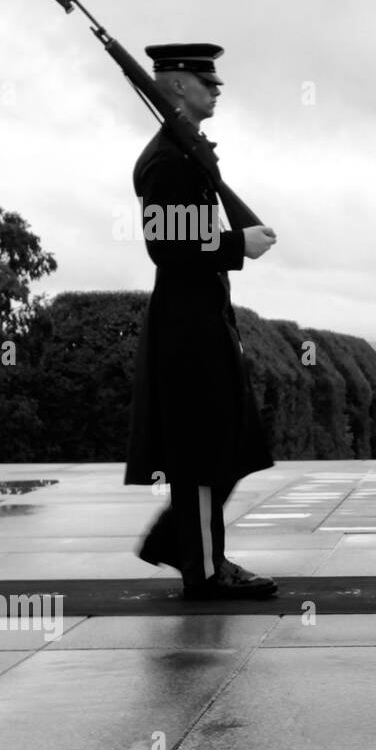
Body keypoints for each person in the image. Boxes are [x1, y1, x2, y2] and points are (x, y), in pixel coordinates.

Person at [123, 43, 280, 600]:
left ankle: (183, 545)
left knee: (227, 442)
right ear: (176, 84)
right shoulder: (168, 160)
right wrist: (240, 243)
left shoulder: (185, 153)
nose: (216, 89)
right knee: (206, 448)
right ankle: (206, 570)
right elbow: (167, 247)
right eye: (205, 80)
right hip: (187, 324)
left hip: (201, 316)